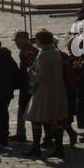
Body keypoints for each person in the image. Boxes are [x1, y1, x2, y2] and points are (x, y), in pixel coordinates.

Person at [24, 30, 68, 158]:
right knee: (56, 118)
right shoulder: (55, 52)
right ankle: (58, 148)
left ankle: (36, 147)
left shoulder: (44, 54)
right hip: (58, 88)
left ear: (41, 40)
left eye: (37, 39)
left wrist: (31, 73)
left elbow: (44, 76)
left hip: (45, 90)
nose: (35, 41)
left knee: (35, 117)